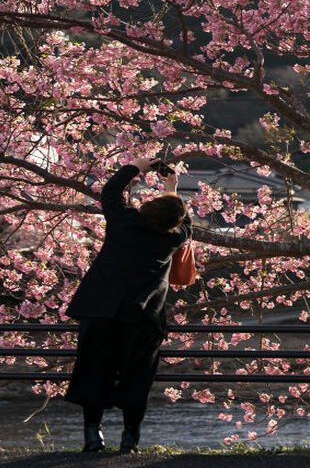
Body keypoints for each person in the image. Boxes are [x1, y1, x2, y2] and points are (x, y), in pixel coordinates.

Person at [64, 155, 192, 453]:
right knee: (137, 377)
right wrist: (172, 189)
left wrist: (138, 165)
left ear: (145, 209)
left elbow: (110, 191)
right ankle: (129, 438)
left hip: (100, 310)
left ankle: (92, 435)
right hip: (143, 316)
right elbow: (187, 223)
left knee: (94, 370)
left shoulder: (122, 222)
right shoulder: (172, 238)